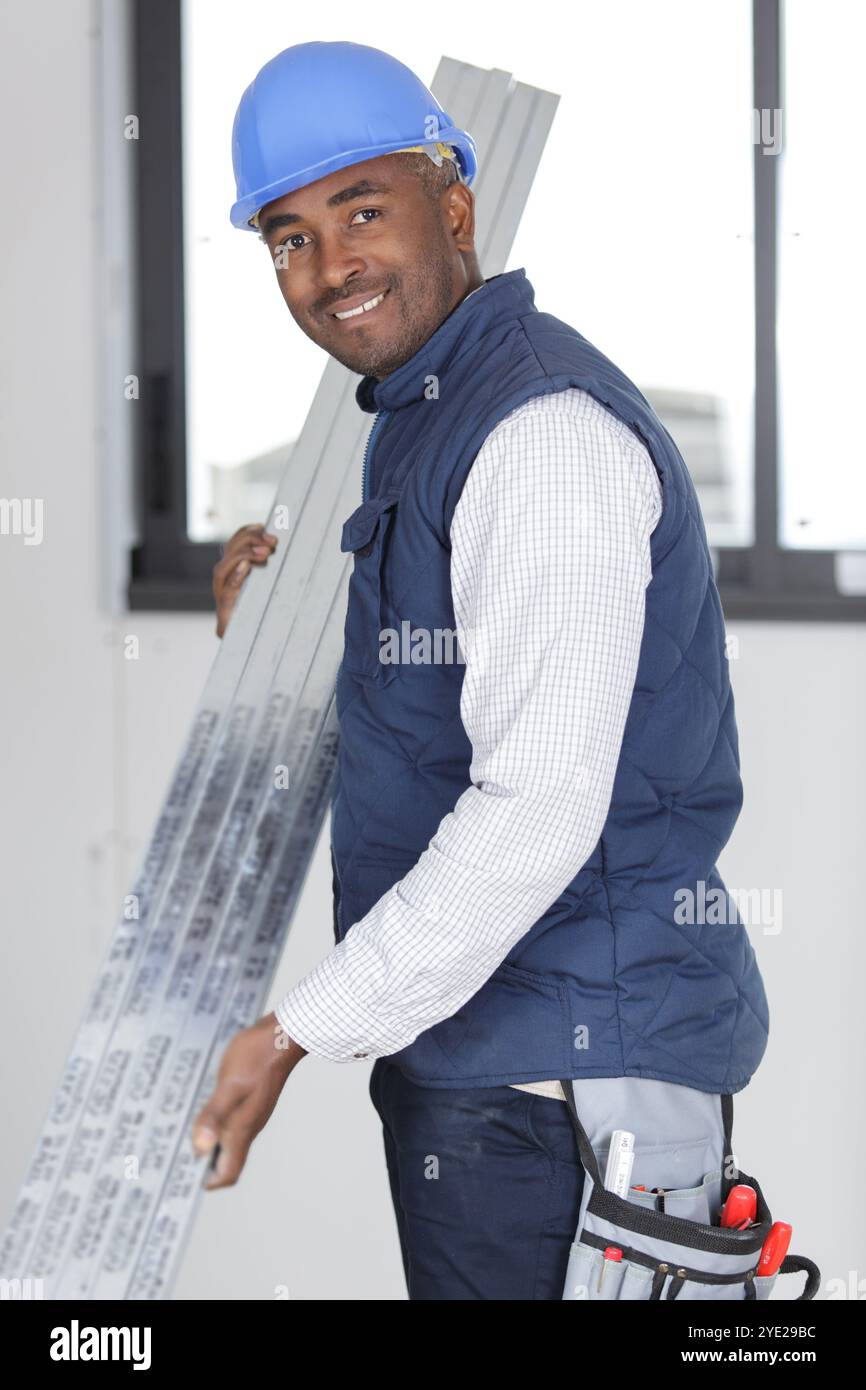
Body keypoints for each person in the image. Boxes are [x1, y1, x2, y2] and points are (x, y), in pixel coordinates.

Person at [193, 40, 769, 1300]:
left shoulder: (538, 433)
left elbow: (535, 809)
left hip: (568, 1088)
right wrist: (273, 645)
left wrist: (291, 1034)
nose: (328, 265)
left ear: (452, 205)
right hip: (489, 1081)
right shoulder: (430, 418)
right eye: (287, 237)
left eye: (360, 211)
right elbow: (443, 719)